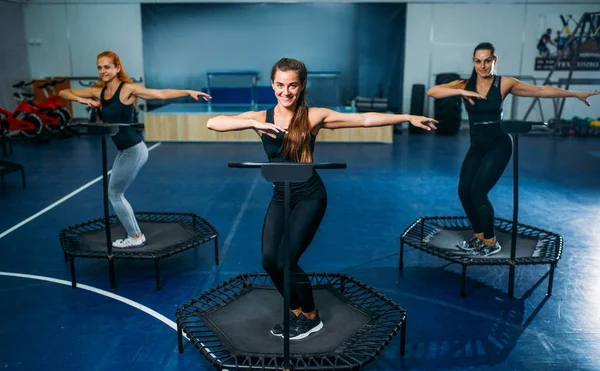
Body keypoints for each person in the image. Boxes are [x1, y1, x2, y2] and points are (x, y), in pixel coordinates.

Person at [207, 57, 438, 340]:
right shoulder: (260, 118)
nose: (285, 92)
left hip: (309, 195)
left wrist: (407, 117)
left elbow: (364, 119)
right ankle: (296, 311)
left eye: (292, 85)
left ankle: (312, 316)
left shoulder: (314, 116)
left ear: (302, 85)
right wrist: (253, 126)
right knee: (269, 260)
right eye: (280, 85)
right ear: (272, 84)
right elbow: (212, 122)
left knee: (288, 260)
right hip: (281, 196)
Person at [427, 42, 598, 256]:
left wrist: (575, 94)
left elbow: (541, 90)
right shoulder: (464, 83)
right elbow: (432, 92)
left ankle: (491, 243)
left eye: (487, 60)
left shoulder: (504, 83)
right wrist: (461, 91)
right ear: (473, 62)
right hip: (477, 146)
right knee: (464, 191)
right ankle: (479, 236)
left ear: (494, 60)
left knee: (478, 191)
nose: (482, 66)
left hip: (498, 145)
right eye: (478, 61)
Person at [60, 50, 211, 249]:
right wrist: (79, 100)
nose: (103, 71)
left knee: (114, 194)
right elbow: (63, 93)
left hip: (134, 149)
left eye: (107, 67)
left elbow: (160, 93)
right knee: (115, 193)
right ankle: (134, 233)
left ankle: (135, 236)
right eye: (99, 67)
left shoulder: (128, 89)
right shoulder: (99, 92)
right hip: (124, 150)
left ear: (117, 68)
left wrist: (188, 92)